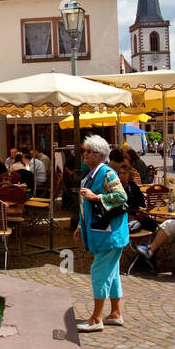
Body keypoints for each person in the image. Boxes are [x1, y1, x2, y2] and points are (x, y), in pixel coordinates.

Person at [72, 135, 129, 332]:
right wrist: (81, 225)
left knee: (98, 273)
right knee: (111, 275)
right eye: (84, 150)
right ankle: (115, 314)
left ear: (100, 155)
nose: (85, 154)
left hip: (110, 234)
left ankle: (96, 319)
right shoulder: (91, 174)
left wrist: (98, 197)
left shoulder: (107, 173)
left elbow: (122, 196)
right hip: (102, 231)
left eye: (89, 151)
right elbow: (84, 205)